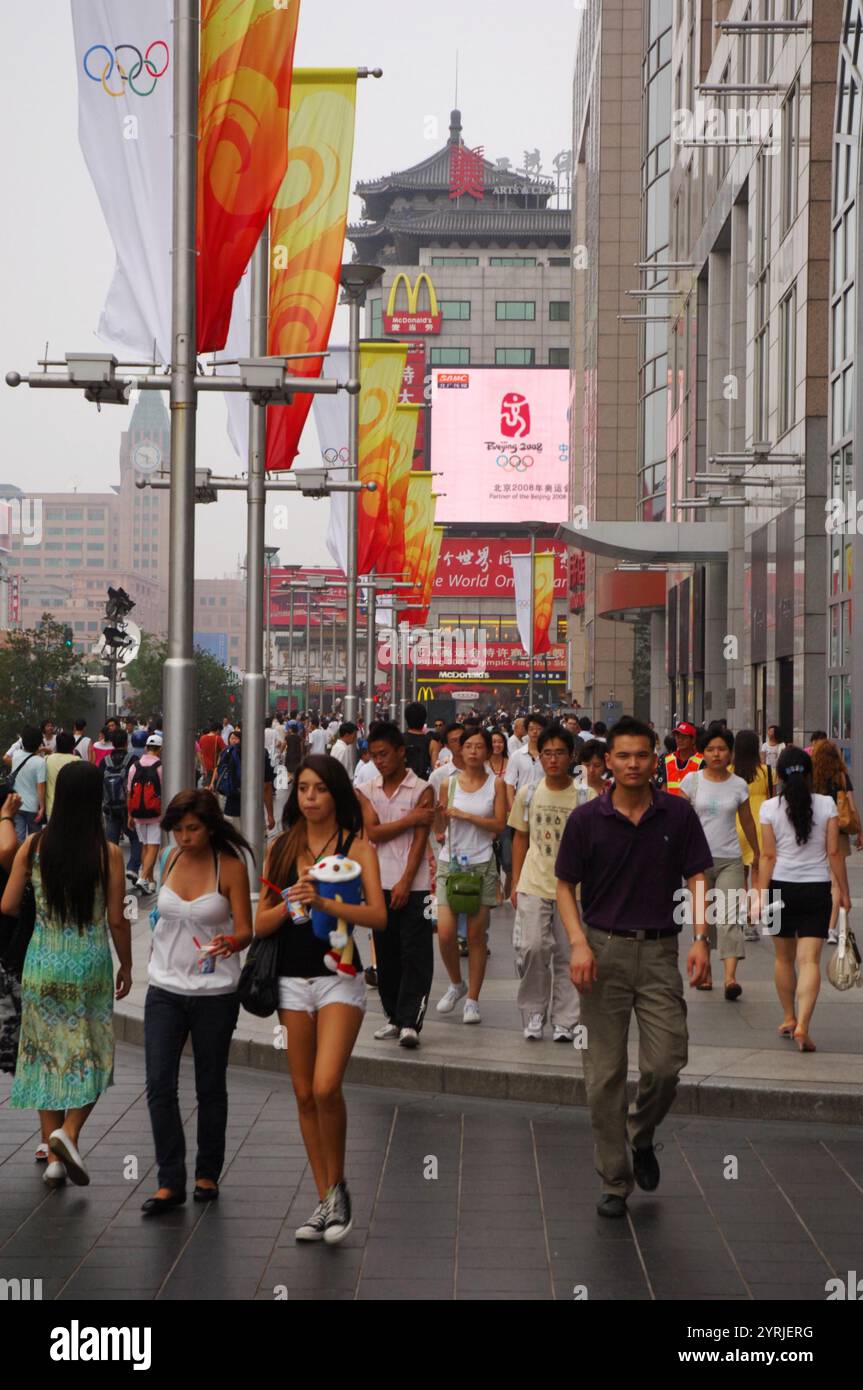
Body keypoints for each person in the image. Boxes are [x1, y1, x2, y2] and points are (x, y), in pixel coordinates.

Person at [555, 717, 712, 1219]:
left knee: (666, 1065)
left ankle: (640, 1134)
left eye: (642, 755)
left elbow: (698, 874)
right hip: (601, 953)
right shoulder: (586, 820)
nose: (632, 764)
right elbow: (564, 886)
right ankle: (614, 1179)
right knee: (604, 1075)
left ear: (654, 759)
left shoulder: (677, 814)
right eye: (622, 756)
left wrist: (701, 938)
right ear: (608, 762)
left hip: (661, 950)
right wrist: (578, 943)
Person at [255, 756, 386, 1243]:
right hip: (290, 980)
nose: (310, 797)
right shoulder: (281, 847)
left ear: (336, 794)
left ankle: (337, 1190)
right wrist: (292, 901)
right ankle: (328, 1196)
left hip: (340, 975)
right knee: (304, 1092)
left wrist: (326, 903)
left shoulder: (358, 847)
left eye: (320, 789)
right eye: (304, 789)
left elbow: (378, 916)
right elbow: (258, 925)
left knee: (328, 1085)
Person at [2, 761, 132, 1187]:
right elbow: (117, 919)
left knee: (43, 1054)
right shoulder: (108, 854)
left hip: (41, 962)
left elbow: (6, 905)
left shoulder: (34, 846)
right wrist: (127, 964)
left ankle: (54, 1157)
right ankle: (69, 1133)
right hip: (89, 963)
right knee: (93, 1052)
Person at [140, 790, 253, 1214]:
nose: (184, 837)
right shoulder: (169, 858)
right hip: (164, 988)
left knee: (210, 1085)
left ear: (210, 827)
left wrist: (232, 940)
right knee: (158, 1085)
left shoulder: (231, 867)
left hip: (215, 994)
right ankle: (170, 1179)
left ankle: (207, 1172)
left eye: (193, 829)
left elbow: (247, 929)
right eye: (178, 829)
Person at [759, 747, 850, 1053]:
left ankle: (788, 1016)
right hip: (816, 888)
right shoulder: (826, 805)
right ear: (810, 773)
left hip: (779, 888)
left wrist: (759, 893)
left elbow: (768, 856)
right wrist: (845, 893)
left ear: (780, 777)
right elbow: (834, 853)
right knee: (808, 960)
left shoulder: (769, 808)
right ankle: (803, 1026)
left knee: (783, 959)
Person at [510, 725, 591, 1043]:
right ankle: (533, 1012)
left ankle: (566, 1020)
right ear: (539, 756)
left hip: (575, 889)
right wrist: (514, 882)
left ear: (571, 756)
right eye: (547, 753)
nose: (553, 759)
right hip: (534, 882)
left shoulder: (586, 796)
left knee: (569, 953)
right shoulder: (528, 793)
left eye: (560, 753)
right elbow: (519, 837)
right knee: (532, 947)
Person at [360, 722, 435, 1049]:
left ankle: (411, 1022)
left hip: (414, 883)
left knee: (415, 953)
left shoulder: (422, 788)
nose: (379, 760)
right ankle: (392, 1016)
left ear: (401, 751)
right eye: (374, 755)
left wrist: (406, 880)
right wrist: (410, 819)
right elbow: (372, 833)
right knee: (386, 953)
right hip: (378, 881)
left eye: (385, 754)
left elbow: (420, 842)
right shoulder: (367, 788)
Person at [679, 727, 760, 999]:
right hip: (698, 862)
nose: (717, 754)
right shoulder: (691, 781)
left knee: (728, 918)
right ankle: (706, 974)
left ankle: (730, 978)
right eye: (711, 749)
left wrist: (757, 852)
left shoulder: (738, 784)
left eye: (722, 749)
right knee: (704, 920)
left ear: (730, 753)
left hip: (730, 860)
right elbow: (681, 820)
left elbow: (747, 820)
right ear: (703, 752)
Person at [434, 728, 507, 1024]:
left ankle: (473, 1000)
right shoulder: (448, 784)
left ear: (489, 752)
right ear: (460, 751)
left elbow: (500, 824)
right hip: (450, 864)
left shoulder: (496, 785)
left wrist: (467, 817)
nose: (474, 751)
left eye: (479, 746)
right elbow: (439, 828)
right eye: (468, 746)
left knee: (477, 937)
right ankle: (456, 984)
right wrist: (438, 816)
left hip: (481, 863)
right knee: (446, 933)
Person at [811, 739, 863, 940]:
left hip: (816, 831)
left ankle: (817, 922)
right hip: (839, 832)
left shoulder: (813, 777)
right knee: (836, 881)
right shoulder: (841, 777)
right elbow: (851, 806)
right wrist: (859, 830)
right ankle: (831, 928)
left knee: (818, 876)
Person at [731, 729, 776, 942]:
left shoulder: (729, 772)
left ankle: (742, 914)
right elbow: (774, 800)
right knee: (759, 877)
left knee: (741, 877)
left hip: (737, 825)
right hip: (761, 827)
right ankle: (752, 922)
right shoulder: (767, 772)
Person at [128, 734, 164, 893]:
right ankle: (143, 877)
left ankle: (150, 881)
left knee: (145, 846)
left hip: (137, 813)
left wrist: (130, 814)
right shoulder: (160, 767)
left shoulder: (134, 766)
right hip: (155, 813)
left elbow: (129, 791)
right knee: (153, 846)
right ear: (160, 749)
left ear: (146, 747)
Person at [9, 727, 46, 844]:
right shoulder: (40, 762)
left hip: (17, 804)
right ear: (39, 743)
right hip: (33, 807)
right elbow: (40, 787)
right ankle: (33, 862)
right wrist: (42, 807)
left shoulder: (16, 755)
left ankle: (17, 861)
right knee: (34, 841)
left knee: (18, 839)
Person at [504, 714, 548, 811]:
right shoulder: (517, 756)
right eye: (531, 729)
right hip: (522, 806)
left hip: (544, 806)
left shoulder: (549, 756)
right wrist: (513, 809)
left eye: (539, 729)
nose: (535, 732)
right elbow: (510, 784)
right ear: (527, 731)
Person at [655, 721, 703, 794]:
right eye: (677, 737)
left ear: (693, 740)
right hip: (671, 804)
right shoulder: (668, 760)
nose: (680, 740)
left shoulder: (701, 761)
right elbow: (664, 786)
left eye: (684, 737)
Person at [44, 732, 78, 820]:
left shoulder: (47, 759)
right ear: (73, 745)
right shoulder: (79, 761)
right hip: (73, 809)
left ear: (57, 744)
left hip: (52, 808)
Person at [403, 702, 434, 780]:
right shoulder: (432, 742)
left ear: (406, 719)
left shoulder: (397, 740)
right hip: (423, 785)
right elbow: (435, 770)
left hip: (402, 785)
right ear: (425, 719)